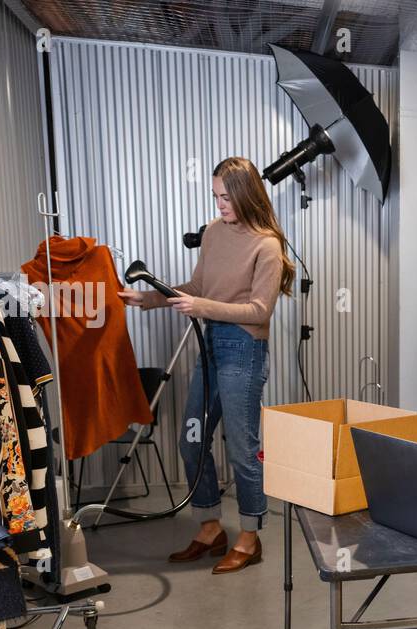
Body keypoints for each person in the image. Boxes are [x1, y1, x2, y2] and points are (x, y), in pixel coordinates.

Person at [118, 157, 294, 574]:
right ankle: (210, 526)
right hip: (211, 344)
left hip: (243, 350)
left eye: (227, 196)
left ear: (247, 193)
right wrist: (150, 299)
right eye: (216, 196)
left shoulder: (267, 245)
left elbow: (258, 310)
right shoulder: (214, 233)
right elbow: (197, 288)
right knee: (192, 439)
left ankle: (250, 537)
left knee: (242, 448)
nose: (220, 204)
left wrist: (203, 307)